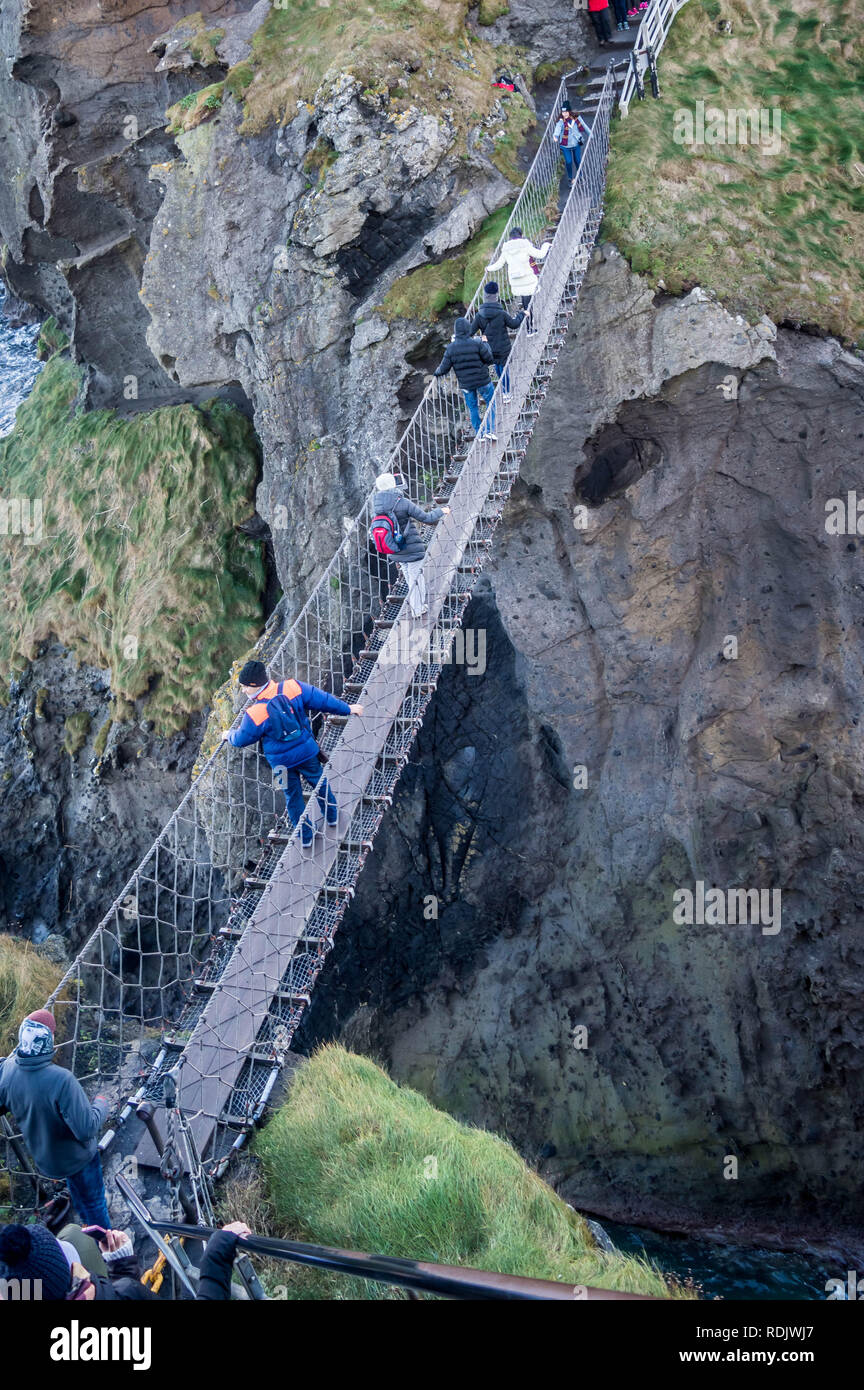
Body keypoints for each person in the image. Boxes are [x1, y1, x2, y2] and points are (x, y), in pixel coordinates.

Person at [222, 662, 362, 846]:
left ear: (254, 686)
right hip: (307, 752)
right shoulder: (292, 687)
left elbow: (240, 739)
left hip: (279, 765)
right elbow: (323, 700)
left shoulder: (254, 714)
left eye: (244, 686)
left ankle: (305, 838)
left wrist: (228, 735)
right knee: (319, 782)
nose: (243, 691)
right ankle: (332, 816)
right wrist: (348, 709)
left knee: (292, 797)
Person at [0, 1010, 111, 1228]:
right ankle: (107, 1246)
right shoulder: (62, 1081)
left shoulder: (7, 1071)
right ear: (49, 1039)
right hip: (79, 1160)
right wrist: (101, 1104)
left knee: (79, 1193)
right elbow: (86, 1129)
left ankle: (81, 1214)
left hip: (47, 1161)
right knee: (94, 1203)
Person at [372, 472, 450, 620]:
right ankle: (417, 609)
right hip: (411, 548)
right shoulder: (402, 502)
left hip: (394, 549)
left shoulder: (377, 506)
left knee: (409, 577)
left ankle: (416, 605)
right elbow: (427, 518)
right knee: (416, 579)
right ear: (393, 485)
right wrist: (442, 511)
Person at [433, 317, 498, 441]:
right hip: (483, 381)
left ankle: (480, 433)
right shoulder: (477, 343)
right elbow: (489, 359)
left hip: (466, 385)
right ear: (469, 328)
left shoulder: (451, 348)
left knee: (473, 407)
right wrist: (485, 343)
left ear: (456, 331)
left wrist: (436, 373)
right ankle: (489, 431)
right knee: (491, 403)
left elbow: (443, 369)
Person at [485, 226, 551, 333]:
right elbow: (540, 255)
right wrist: (546, 245)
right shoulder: (525, 245)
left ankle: (528, 326)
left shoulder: (506, 249)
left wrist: (488, 268)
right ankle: (529, 328)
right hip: (528, 280)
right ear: (521, 235)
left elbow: (499, 264)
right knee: (528, 304)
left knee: (527, 303)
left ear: (510, 237)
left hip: (516, 283)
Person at [468, 282, 524, 401]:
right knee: (504, 370)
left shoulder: (479, 316)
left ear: (484, 296)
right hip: (503, 348)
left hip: (489, 349)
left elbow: (470, 332)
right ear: (496, 297)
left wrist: (459, 336)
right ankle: (506, 392)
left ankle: (505, 390)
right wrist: (522, 314)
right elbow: (514, 325)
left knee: (498, 367)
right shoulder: (501, 313)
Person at [552, 105, 590, 182]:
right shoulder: (561, 121)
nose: (564, 114)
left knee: (578, 161)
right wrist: (555, 136)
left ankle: (580, 176)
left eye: (566, 112)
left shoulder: (576, 118)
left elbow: (583, 125)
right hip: (565, 145)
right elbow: (557, 129)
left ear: (569, 111)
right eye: (563, 112)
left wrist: (590, 134)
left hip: (576, 143)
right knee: (569, 162)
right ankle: (570, 178)